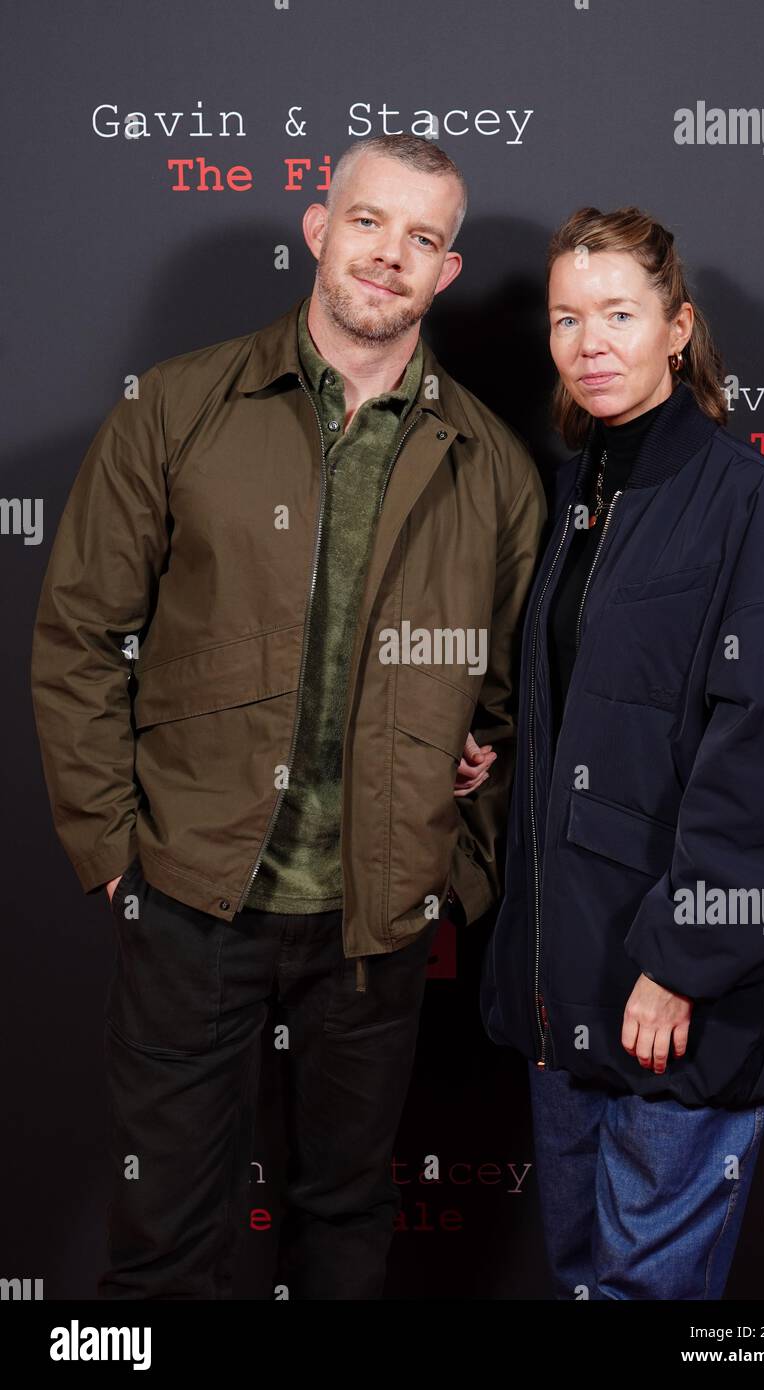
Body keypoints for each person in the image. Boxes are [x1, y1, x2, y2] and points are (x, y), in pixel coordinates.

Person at [30, 132, 546, 1300]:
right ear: (318, 230)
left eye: (422, 238)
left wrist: (455, 844)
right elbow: (77, 639)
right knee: (164, 1236)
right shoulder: (173, 410)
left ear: (445, 275)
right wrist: (117, 857)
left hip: (374, 923)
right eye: (369, 222)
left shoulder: (495, 470)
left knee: (346, 1223)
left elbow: (512, 700)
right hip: (192, 897)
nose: (389, 255)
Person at [479, 205, 764, 1300]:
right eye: (564, 317)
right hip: (567, 985)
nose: (587, 342)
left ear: (676, 328)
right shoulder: (572, 500)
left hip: (675, 997)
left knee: (643, 1291)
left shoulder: (747, 505)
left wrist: (680, 961)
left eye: (617, 313)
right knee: (583, 1279)